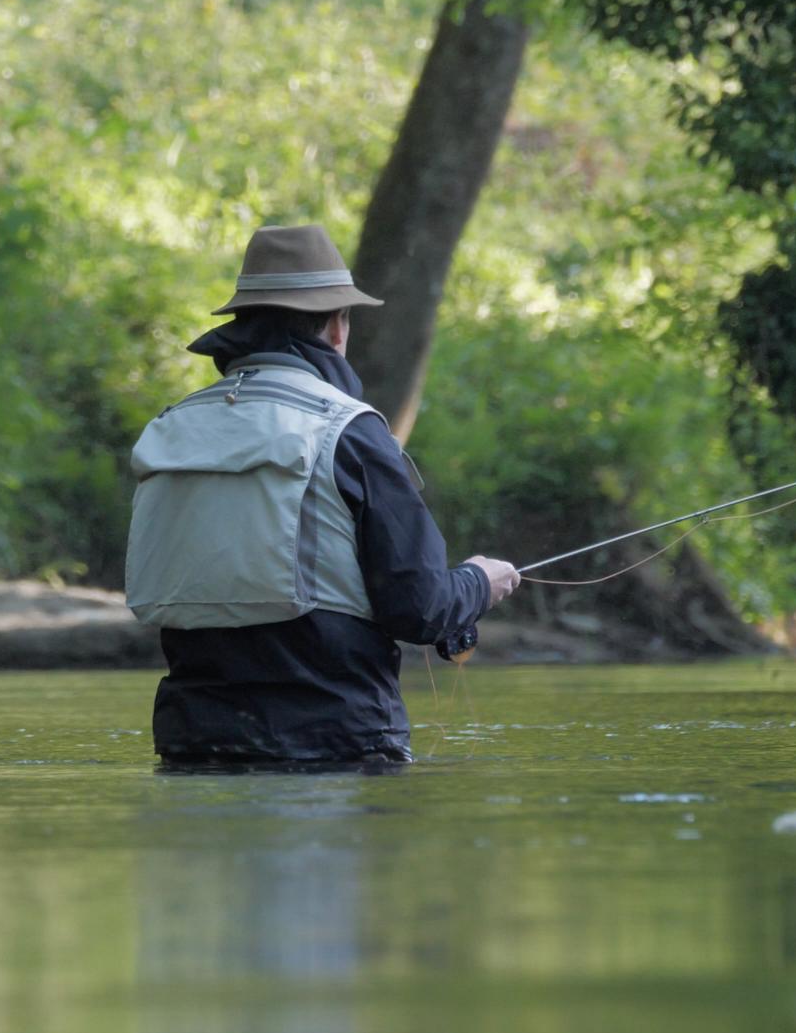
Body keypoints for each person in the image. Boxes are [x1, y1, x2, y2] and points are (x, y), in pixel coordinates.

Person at [125, 225, 520, 764]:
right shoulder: (349, 431)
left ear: (243, 323)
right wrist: (479, 581)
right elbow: (421, 609)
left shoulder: (174, 428)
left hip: (191, 742)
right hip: (337, 745)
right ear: (337, 328)